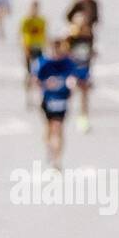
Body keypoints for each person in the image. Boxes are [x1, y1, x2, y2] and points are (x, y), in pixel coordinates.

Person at [33, 36, 77, 167]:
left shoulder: (68, 62)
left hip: (62, 99)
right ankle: (49, 148)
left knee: (58, 128)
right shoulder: (43, 62)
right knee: (49, 128)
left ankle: (57, 159)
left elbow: (73, 78)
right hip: (48, 99)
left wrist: (70, 86)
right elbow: (36, 80)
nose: (56, 50)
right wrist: (47, 85)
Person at [67, 10, 97, 134]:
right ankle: (64, 115)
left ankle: (83, 119)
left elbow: (89, 52)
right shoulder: (71, 37)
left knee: (84, 95)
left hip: (84, 69)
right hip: (72, 70)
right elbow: (65, 52)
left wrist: (92, 55)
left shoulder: (89, 36)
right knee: (69, 93)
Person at [19, 0, 47, 106]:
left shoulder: (41, 20)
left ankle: (40, 97)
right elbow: (22, 35)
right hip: (29, 48)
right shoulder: (26, 20)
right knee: (29, 73)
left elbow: (44, 34)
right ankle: (28, 97)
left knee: (40, 73)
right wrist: (24, 49)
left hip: (39, 48)